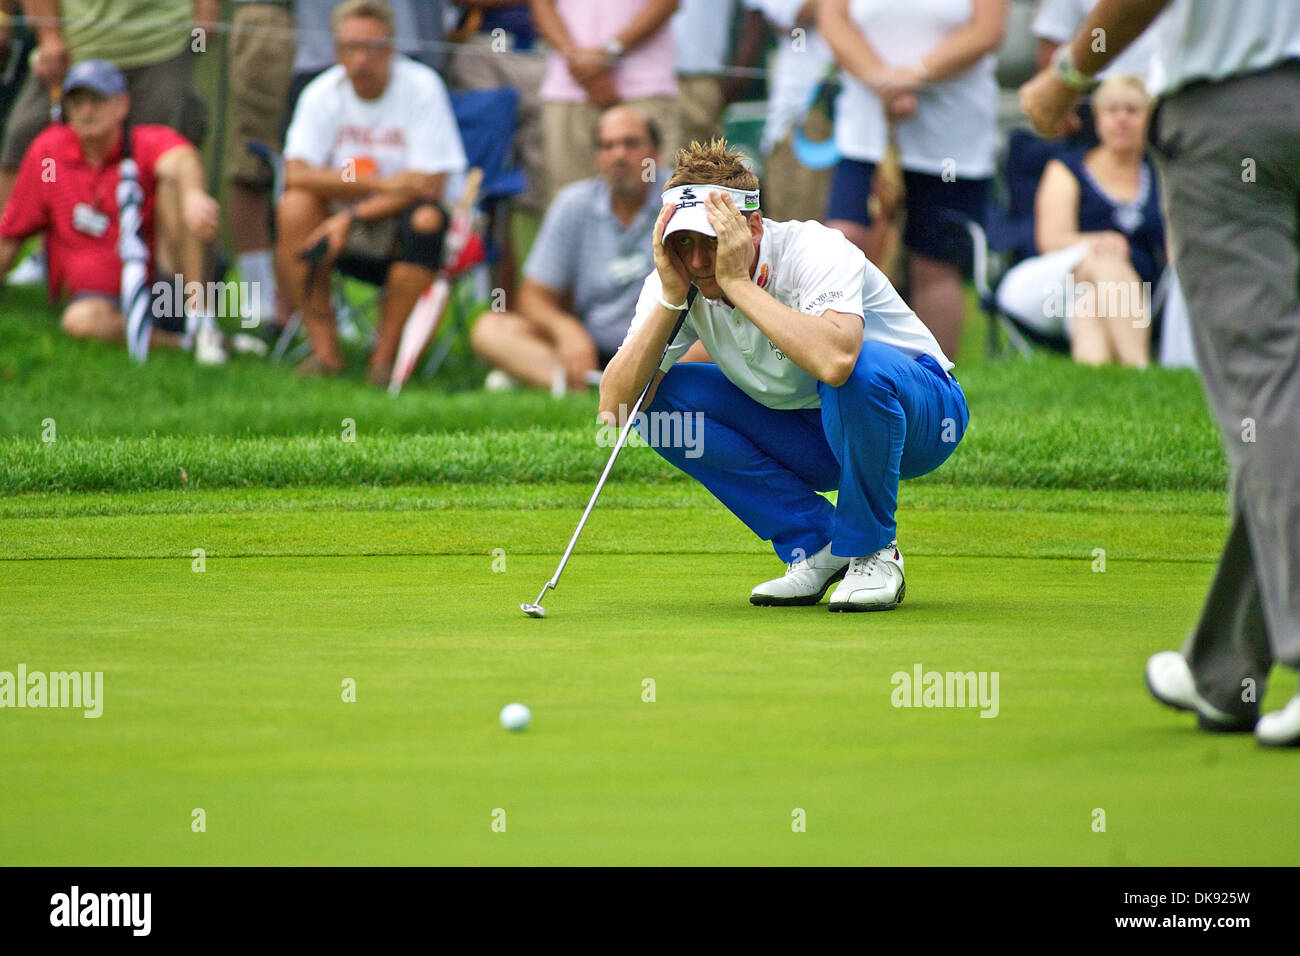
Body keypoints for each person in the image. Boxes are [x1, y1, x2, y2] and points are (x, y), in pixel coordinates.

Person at [1020, 0, 1300, 744]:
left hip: (1238, 108)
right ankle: (1227, 667)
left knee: (1266, 393)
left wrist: (1070, 73)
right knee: (1279, 400)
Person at [600, 139, 968, 610]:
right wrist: (672, 300)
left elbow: (836, 360)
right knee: (658, 405)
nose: (695, 261)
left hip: (919, 416)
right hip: (815, 431)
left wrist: (736, 284)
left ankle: (873, 549)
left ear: (752, 226)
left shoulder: (814, 248)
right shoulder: (676, 280)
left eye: (710, 241)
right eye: (682, 243)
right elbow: (615, 410)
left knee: (857, 368)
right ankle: (814, 543)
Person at [277, 0, 466, 384]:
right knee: (294, 206)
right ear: (336, 51)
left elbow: (430, 184)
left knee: (427, 218)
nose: (362, 60)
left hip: (400, 225)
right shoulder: (320, 93)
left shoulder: (421, 87)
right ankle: (326, 353)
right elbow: (296, 173)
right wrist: (379, 182)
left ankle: (384, 361)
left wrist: (351, 215)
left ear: (392, 49)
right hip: (337, 225)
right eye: (351, 48)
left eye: (373, 48)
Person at [0, 60, 234, 361]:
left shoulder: (143, 141)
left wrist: (193, 196)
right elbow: (13, 230)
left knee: (173, 187)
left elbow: (182, 159)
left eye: (97, 100)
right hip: (98, 301)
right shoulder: (49, 157)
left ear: (122, 105)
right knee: (79, 321)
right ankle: (184, 345)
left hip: (167, 289)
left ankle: (201, 320)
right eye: (77, 101)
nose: (87, 110)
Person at [818, 0, 1008, 359]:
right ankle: (837, 368)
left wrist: (915, 75)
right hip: (867, 133)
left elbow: (988, 30)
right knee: (844, 247)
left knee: (934, 264)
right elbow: (834, 20)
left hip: (953, 141)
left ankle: (934, 381)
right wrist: (883, 81)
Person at [471, 105, 706, 393]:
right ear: (597, 158)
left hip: (668, 346)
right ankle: (589, 382)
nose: (618, 155)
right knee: (489, 328)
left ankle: (577, 381)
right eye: (607, 146)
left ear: (656, 153)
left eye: (631, 144)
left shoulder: (685, 203)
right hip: (591, 348)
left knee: (713, 345)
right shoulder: (572, 204)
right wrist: (566, 329)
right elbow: (532, 296)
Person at [996, 73, 1163, 367]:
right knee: (1106, 259)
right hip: (1052, 281)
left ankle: (1103, 393)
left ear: (1148, 118)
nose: (1122, 119)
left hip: (1120, 295)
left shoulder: (1160, 176)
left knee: (1089, 306)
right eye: (1112, 111)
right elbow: (1050, 241)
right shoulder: (1067, 169)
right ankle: (1141, 368)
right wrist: (1099, 241)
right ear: (1097, 118)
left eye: (1133, 111)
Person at [532, 0, 680, 205]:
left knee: (656, 198)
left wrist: (606, 54)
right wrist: (581, 63)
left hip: (645, 87)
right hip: (568, 89)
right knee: (568, 200)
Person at [224, 0, 297, 333]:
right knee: (254, 161)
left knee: (337, 165)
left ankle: (316, 298)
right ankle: (261, 296)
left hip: (382, 27)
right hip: (276, 19)